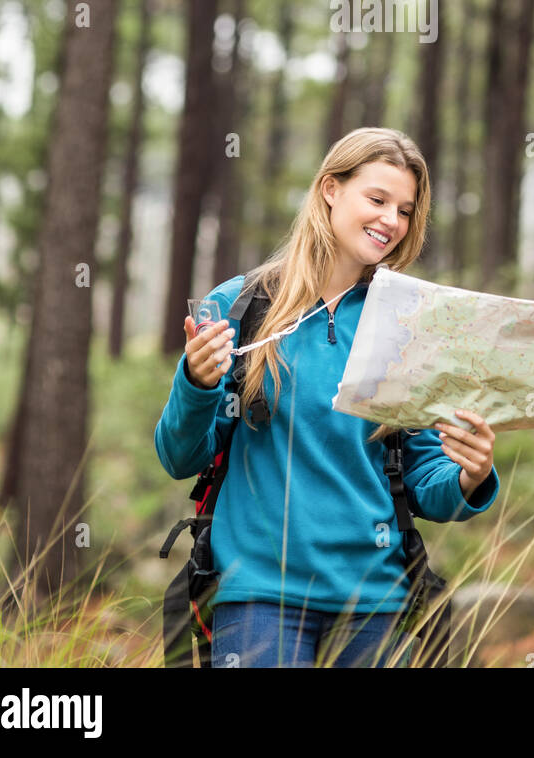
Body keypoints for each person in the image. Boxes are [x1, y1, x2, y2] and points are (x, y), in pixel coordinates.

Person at [154, 126, 500, 668]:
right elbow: (179, 458)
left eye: (405, 210)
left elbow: (429, 489)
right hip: (257, 597)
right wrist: (196, 383)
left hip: (376, 603)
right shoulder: (242, 306)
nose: (391, 220)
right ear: (330, 190)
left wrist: (469, 476)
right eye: (377, 199)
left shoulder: (410, 324)